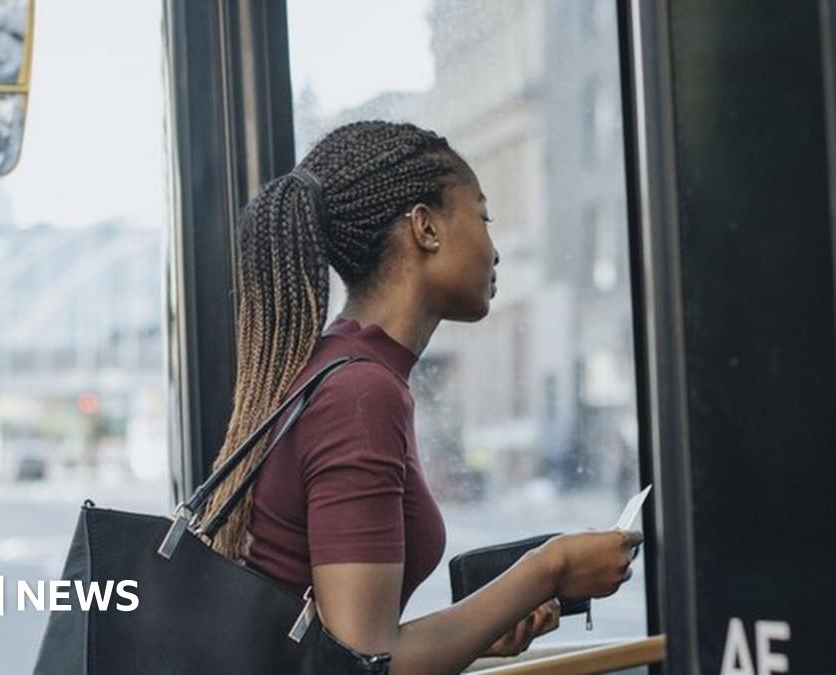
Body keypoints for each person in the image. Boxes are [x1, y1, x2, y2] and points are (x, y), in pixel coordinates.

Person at [199, 120, 641, 674]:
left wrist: (477, 631)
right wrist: (547, 569)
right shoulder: (360, 393)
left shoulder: (342, 366)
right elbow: (368, 664)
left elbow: (345, 647)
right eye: (483, 216)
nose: (495, 250)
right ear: (426, 228)